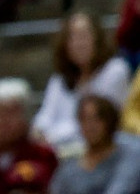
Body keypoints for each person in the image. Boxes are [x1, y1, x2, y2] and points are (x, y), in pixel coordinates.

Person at [33, 11, 131, 158]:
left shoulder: (115, 71)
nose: (79, 43)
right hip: (58, 153)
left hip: (102, 153)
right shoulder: (59, 80)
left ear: (97, 39)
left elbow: (97, 124)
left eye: (84, 36)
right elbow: (44, 119)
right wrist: (40, 132)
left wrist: (53, 137)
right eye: (73, 37)